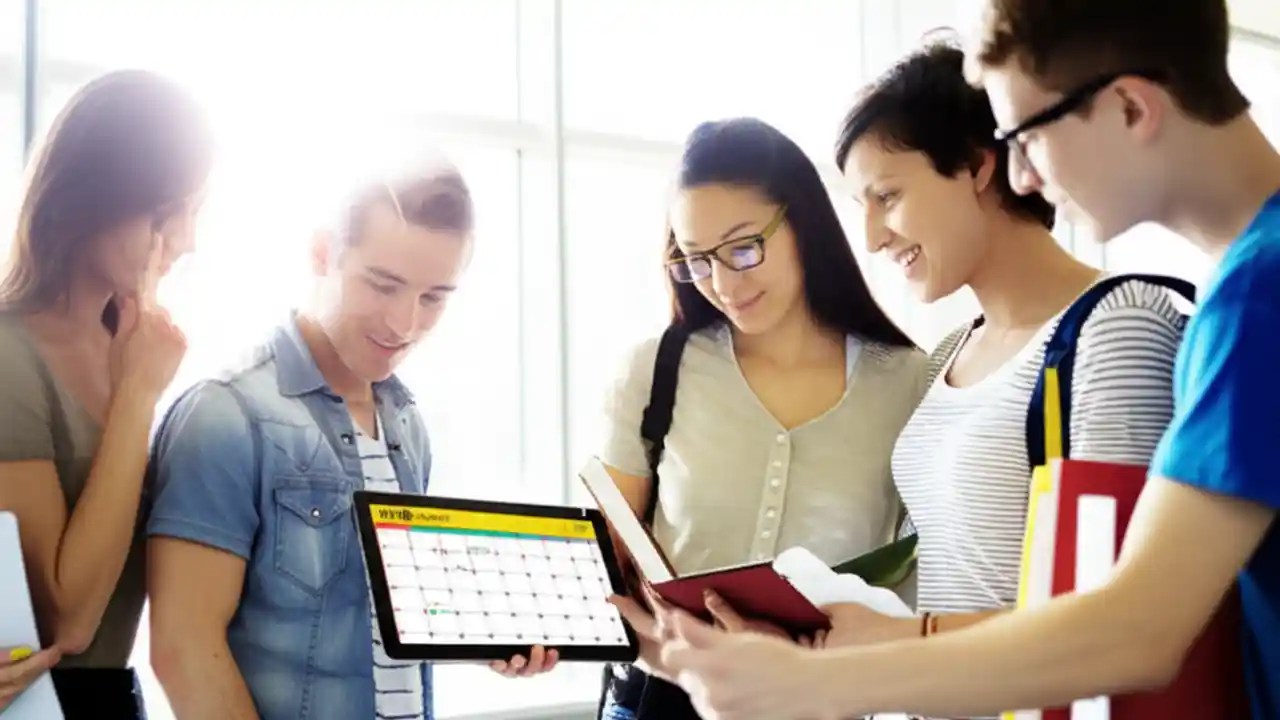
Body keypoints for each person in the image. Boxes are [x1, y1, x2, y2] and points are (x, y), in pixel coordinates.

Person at [650, 2, 1280, 719]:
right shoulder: (1241, 290)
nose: (1025, 175)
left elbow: (1135, 629)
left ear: (1131, 107)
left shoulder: (1247, 299)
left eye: (1026, 137)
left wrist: (815, 682)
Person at [145, 160, 548, 720]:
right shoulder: (225, 414)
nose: (404, 324)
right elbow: (183, 650)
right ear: (321, 254)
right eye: (383, 285)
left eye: (434, 298)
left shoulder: (408, 424)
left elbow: (373, 622)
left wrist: (486, 637)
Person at [592, 117, 928, 720]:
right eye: (696, 260)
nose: (722, 283)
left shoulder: (908, 383)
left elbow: (916, 593)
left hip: (822, 705)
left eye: (744, 248)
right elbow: (605, 571)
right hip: (665, 699)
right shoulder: (656, 369)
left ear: (802, 223)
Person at [0, 70, 211, 716]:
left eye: (194, 214)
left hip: (119, 700)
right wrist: (137, 396)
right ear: (96, 194)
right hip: (45, 705)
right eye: (165, 214)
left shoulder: (127, 346)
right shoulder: (11, 355)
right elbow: (67, 620)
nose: (185, 241)